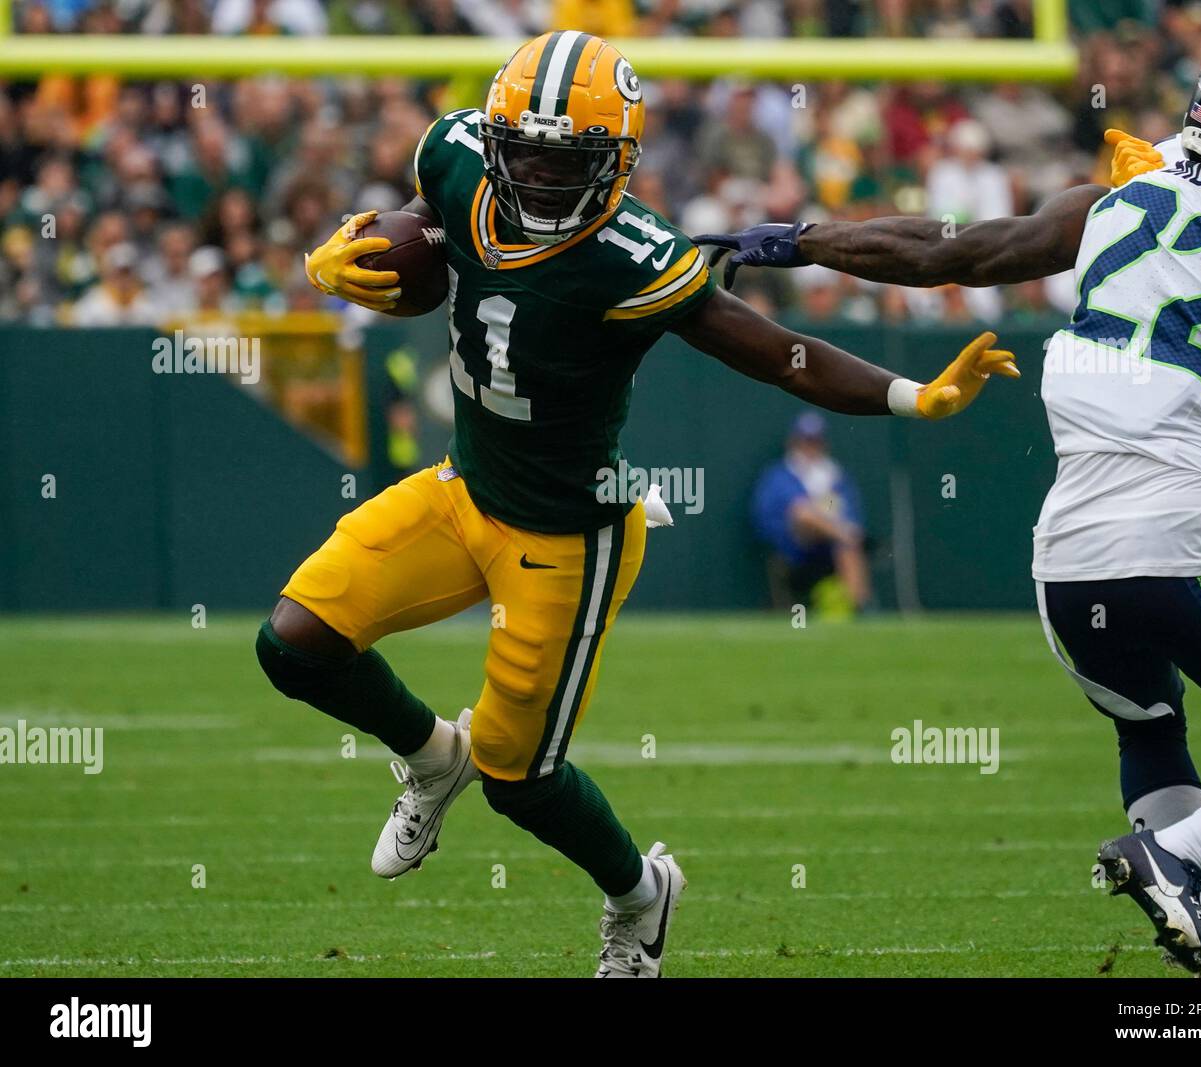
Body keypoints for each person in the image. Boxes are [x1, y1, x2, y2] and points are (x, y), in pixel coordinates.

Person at [257, 30, 1018, 978]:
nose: (533, 175)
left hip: (569, 538)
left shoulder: (635, 256)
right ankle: (428, 754)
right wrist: (346, 249)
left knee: (520, 781)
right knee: (294, 643)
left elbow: (779, 351)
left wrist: (912, 395)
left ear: (614, 165)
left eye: (560, 158)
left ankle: (640, 895)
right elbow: (423, 219)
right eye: (520, 150)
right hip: (464, 491)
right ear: (493, 137)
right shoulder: (455, 154)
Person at [695, 37, 1201, 978]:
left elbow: (953, 252)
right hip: (1178, 546)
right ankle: (1180, 852)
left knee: (1150, 729)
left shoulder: (1112, 202)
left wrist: (793, 239)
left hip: (1063, 568)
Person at [752, 411, 872, 614]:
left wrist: (840, 529)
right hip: (794, 547)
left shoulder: (834, 476)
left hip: (830, 546)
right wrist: (840, 529)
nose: (810, 447)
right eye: (805, 441)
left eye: (815, 441)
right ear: (794, 442)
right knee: (807, 516)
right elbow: (792, 514)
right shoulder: (780, 475)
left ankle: (860, 609)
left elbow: (849, 514)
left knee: (846, 545)